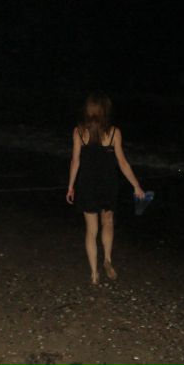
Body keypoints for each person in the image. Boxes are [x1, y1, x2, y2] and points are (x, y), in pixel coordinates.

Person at [66, 92, 145, 285]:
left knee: (91, 229)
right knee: (108, 222)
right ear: (105, 110)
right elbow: (123, 163)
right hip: (108, 184)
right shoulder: (114, 132)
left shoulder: (79, 132)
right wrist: (136, 186)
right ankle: (107, 259)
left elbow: (75, 161)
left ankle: (94, 273)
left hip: (87, 185)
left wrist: (70, 186)